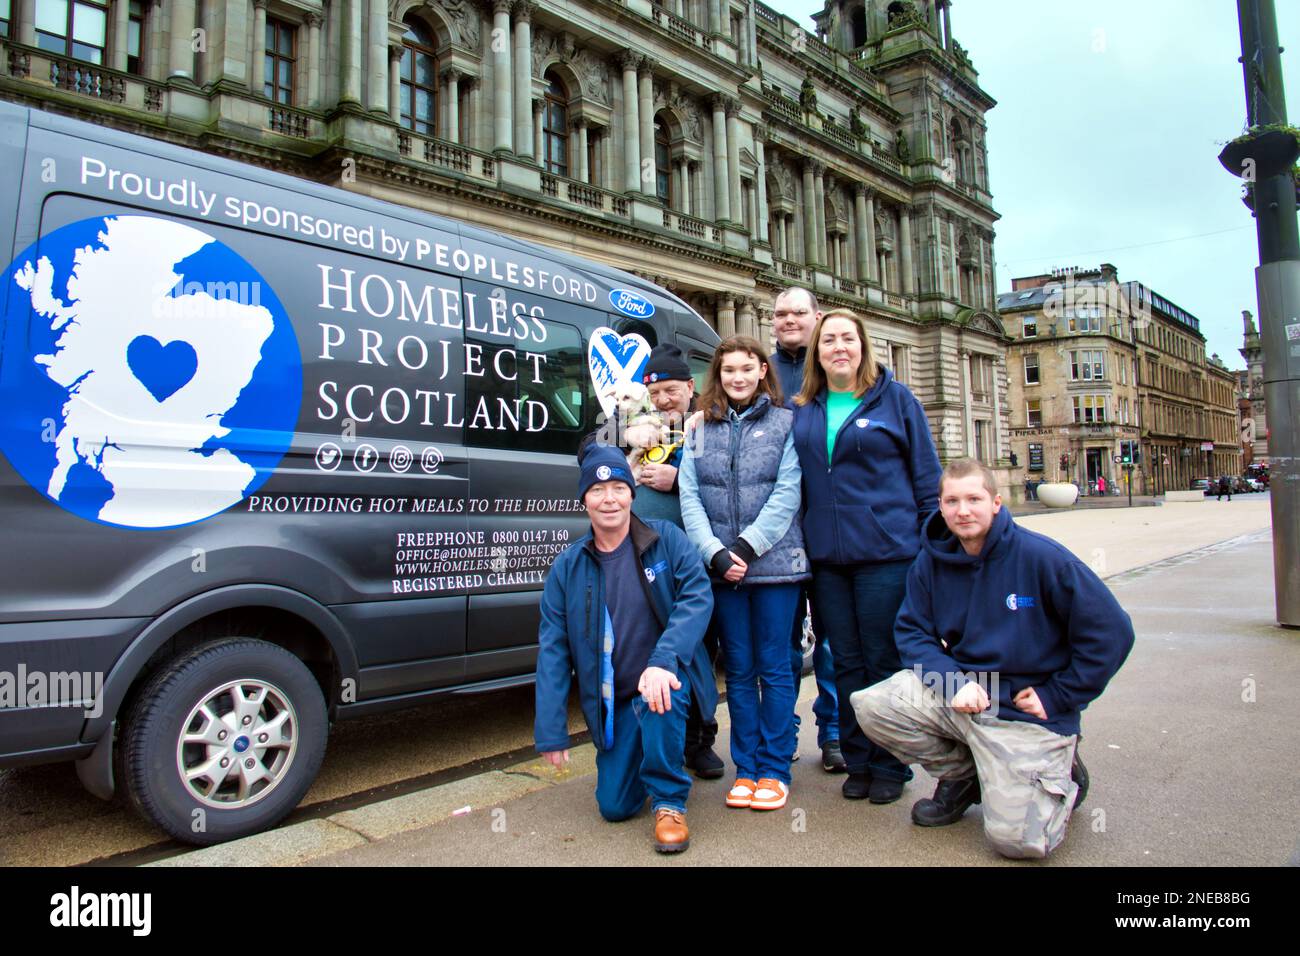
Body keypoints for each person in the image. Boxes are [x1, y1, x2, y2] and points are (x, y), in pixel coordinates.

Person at [851, 458, 1134, 858]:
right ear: (940, 506)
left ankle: (1062, 773)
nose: (962, 511)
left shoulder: (1043, 558)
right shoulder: (930, 562)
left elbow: (1113, 632)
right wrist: (953, 682)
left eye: (973, 499)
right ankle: (967, 776)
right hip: (968, 697)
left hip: (1027, 710)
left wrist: (1059, 695)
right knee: (872, 704)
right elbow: (913, 633)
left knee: (1018, 844)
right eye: (952, 501)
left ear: (996, 503)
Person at [791, 308, 942, 804]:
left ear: (862, 347)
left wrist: (931, 544)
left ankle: (891, 764)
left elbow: (926, 478)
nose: (838, 346)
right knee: (845, 661)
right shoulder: (805, 408)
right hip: (828, 561)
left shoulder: (896, 400)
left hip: (888, 554)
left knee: (885, 660)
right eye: (829, 339)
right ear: (817, 350)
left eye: (847, 339)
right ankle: (858, 761)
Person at [534, 445, 715, 853]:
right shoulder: (567, 567)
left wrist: (664, 660)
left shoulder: (665, 539)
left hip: (665, 680)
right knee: (614, 806)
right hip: (615, 702)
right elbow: (553, 650)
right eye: (598, 491)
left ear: (632, 494)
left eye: (619, 486)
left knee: (660, 694)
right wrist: (550, 731)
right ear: (584, 500)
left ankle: (669, 801)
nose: (609, 498)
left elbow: (697, 597)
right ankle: (649, 758)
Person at [578, 343, 726, 780]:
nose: (664, 400)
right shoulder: (636, 421)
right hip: (643, 560)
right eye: (655, 391)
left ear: (690, 386)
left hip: (695, 558)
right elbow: (586, 449)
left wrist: (677, 479)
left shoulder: (707, 425)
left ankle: (701, 741)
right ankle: (661, 741)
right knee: (649, 651)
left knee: (699, 651)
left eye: (671, 390)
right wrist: (625, 431)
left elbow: (729, 487)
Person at [679, 336, 809, 811]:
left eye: (746, 367)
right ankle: (746, 768)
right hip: (722, 572)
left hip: (775, 566)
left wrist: (744, 546)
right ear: (718, 374)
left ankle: (775, 768)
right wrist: (713, 553)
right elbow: (689, 497)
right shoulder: (698, 427)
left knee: (774, 668)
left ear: (761, 371)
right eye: (728, 368)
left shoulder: (785, 422)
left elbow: (788, 491)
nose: (737, 376)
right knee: (737, 671)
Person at [771, 287, 844, 774]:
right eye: (780, 313)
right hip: (778, 532)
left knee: (836, 640)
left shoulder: (842, 373)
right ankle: (784, 734)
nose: (790, 320)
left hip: (832, 526)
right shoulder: (763, 371)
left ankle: (835, 731)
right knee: (784, 641)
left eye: (799, 312)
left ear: (816, 316)